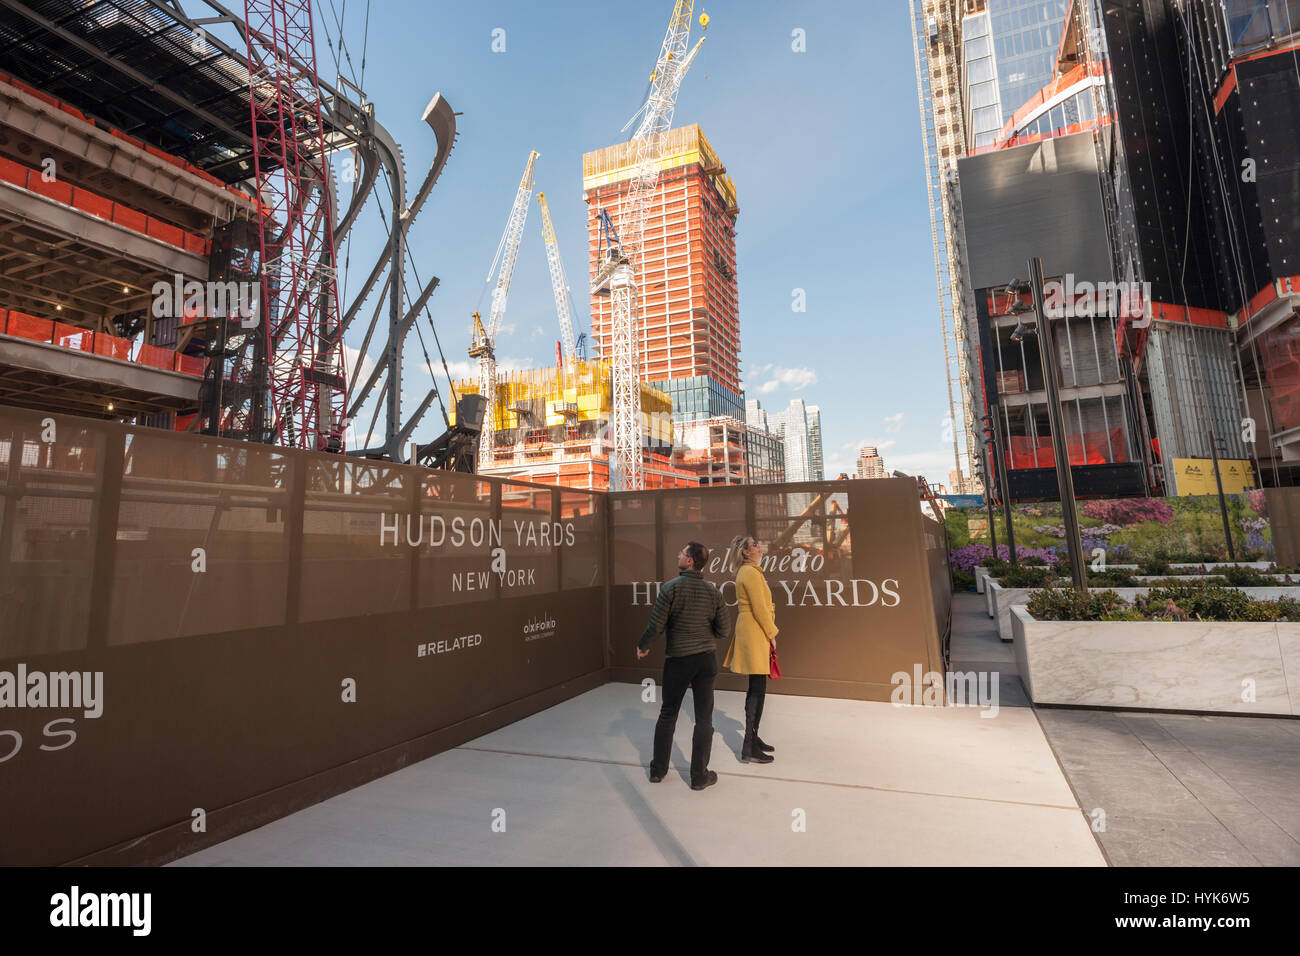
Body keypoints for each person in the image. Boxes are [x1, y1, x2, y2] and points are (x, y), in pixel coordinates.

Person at [637, 541, 730, 791]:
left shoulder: (671, 589)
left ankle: (658, 771)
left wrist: (643, 645)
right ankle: (699, 777)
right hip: (706, 659)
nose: (678, 554)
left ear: (690, 561)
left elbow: (656, 625)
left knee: (668, 713)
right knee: (704, 718)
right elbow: (723, 630)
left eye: (682, 552)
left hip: (678, 659)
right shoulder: (714, 592)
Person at [722, 535, 777, 764]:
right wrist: (772, 634)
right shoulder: (750, 573)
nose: (758, 547)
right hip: (755, 632)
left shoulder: (750, 571)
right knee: (757, 688)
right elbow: (760, 609)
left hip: (753, 631)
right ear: (745, 552)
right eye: (754, 545)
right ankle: (749, 746)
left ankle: (752, 738)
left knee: (758, 687)